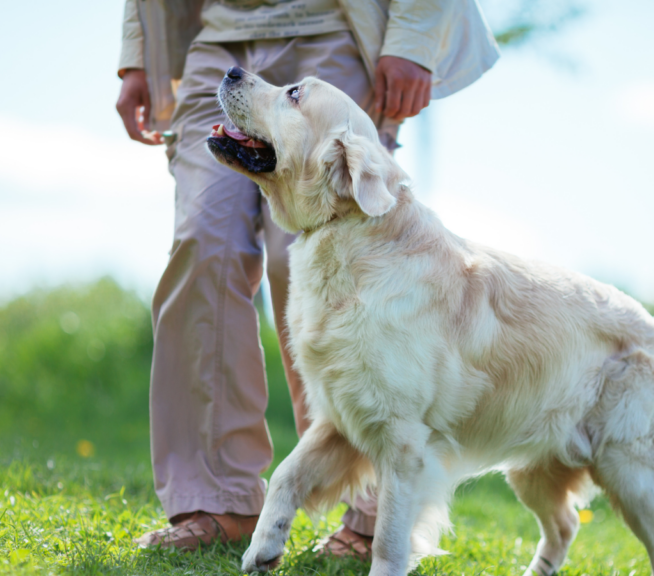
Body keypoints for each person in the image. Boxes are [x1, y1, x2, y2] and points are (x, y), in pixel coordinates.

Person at [115, 0, 498, 559]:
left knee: (320, 249)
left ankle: (372, 517)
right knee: (203, 245)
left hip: (338, 28)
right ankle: (216, 500)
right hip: (215, 33)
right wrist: (137, 58)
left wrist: (414, 40)